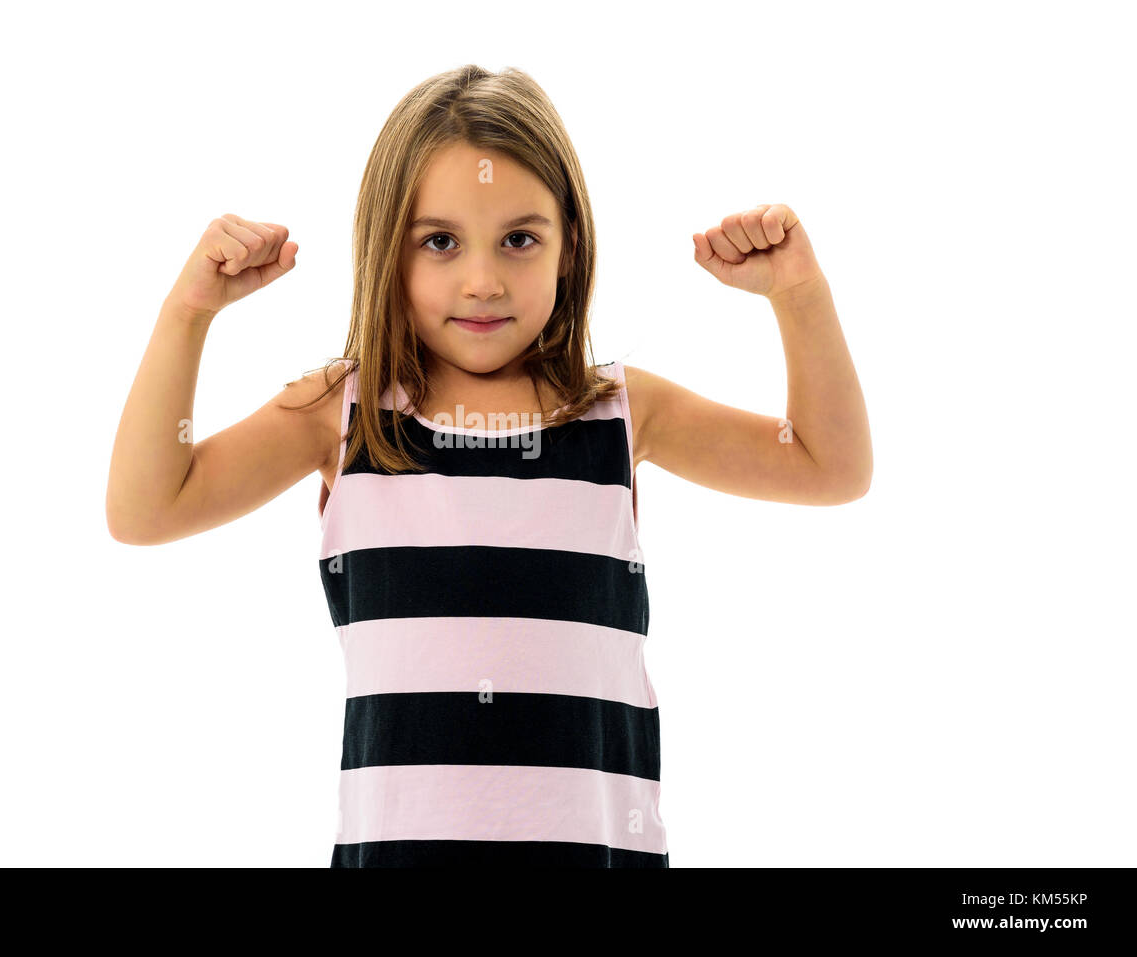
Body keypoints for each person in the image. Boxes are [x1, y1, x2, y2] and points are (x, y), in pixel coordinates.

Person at [106, 64, 872, 868]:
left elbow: (830, 465)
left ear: (568, 247)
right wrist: (188, 313)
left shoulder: (620, 413)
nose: (482, 280)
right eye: (440, 241)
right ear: (387, 253)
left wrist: (799, 293)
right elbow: (146, 507)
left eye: (519, 239)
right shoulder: (342, 414)